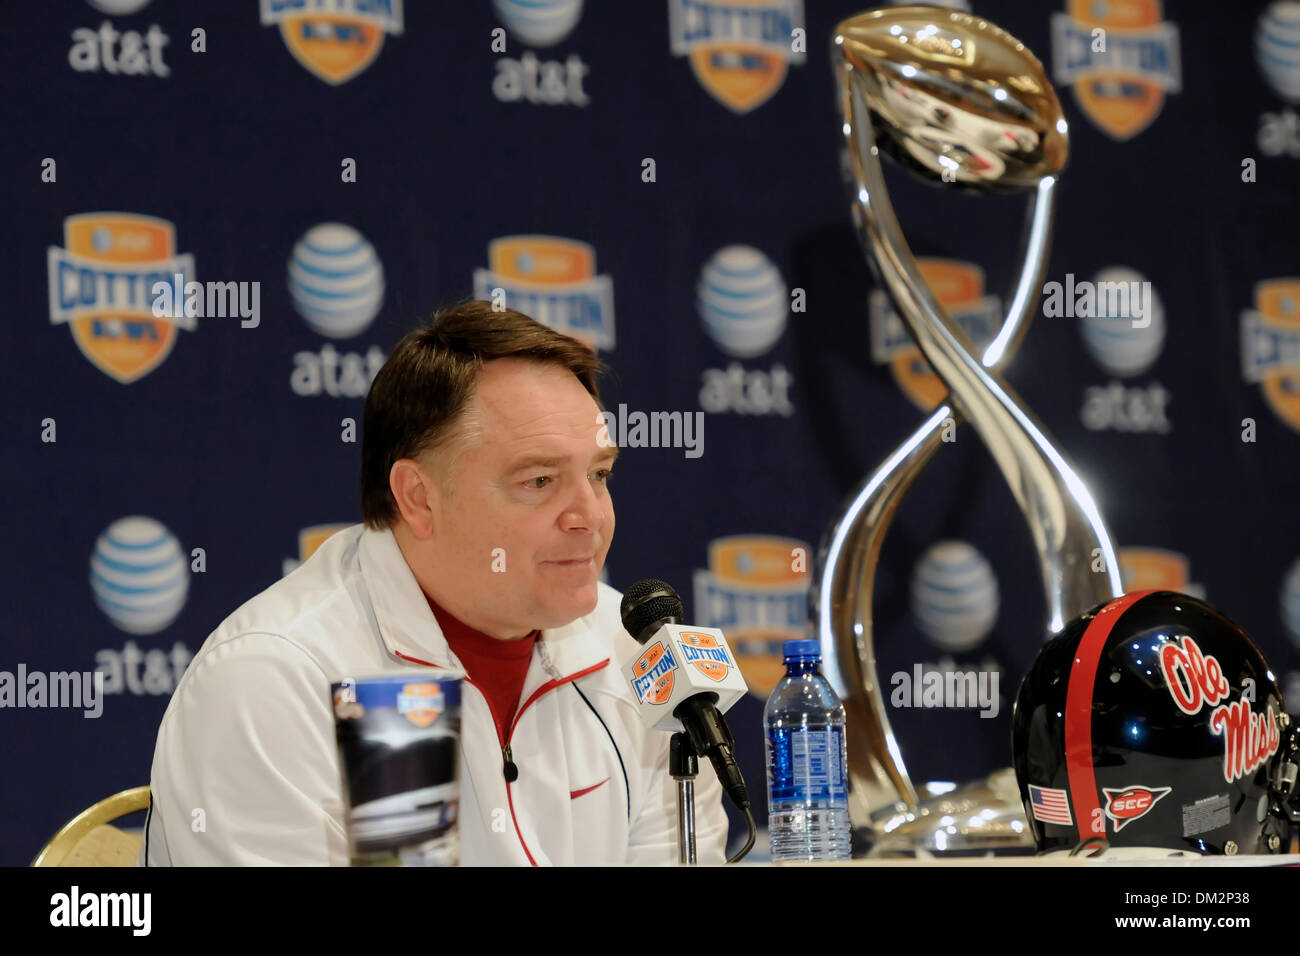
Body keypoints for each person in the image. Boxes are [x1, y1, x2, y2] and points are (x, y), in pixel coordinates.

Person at [137, 301, 729, 865]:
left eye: (599, 475)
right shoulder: (277, 678)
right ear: (418, 498)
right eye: (540, 481)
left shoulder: (635, 653)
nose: (590, 517)